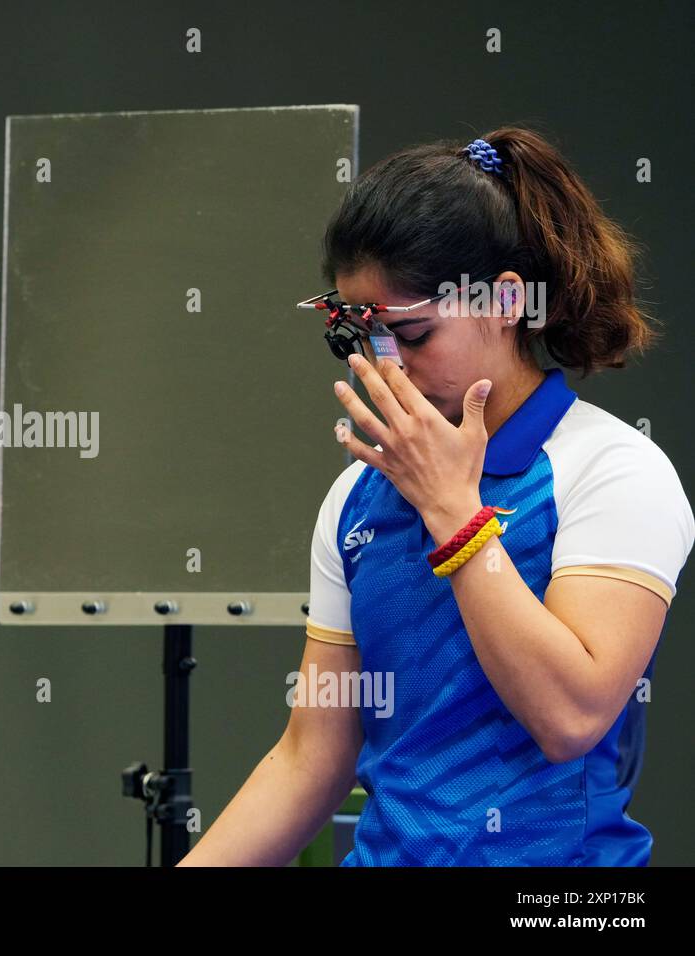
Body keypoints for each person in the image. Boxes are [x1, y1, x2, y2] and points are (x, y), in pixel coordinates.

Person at [181, 126, 694, 866]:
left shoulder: (614, 470)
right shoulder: (357, 498)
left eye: (413, 333)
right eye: (359, 337)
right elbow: (308, 761)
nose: (381, 367)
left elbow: (570, 715)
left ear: (506, 301)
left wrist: (453, 511)